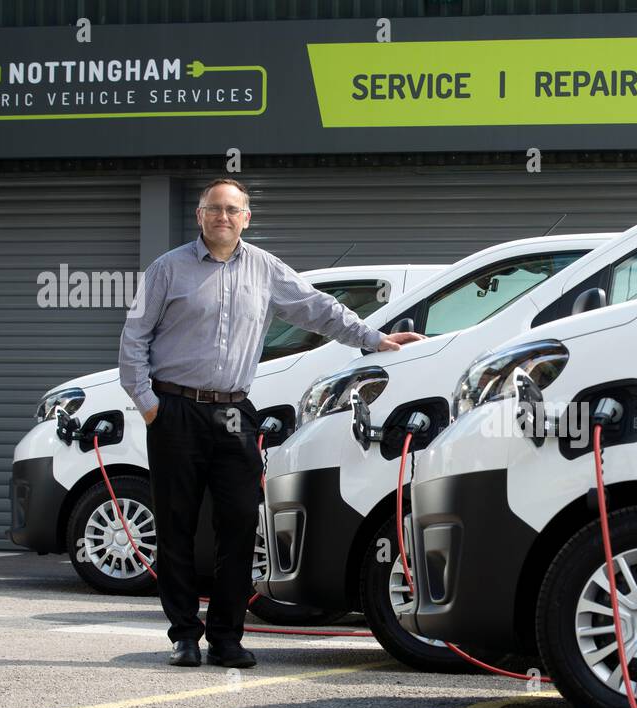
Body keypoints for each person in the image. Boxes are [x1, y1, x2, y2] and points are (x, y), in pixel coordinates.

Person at [118, 178, 424, 668]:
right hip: (175, 411)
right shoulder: (166, 269)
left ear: (246, 217)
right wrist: (149, 406)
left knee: (239, 524)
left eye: (232, 209)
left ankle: (226, 637)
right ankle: (183, 635)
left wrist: (374, 339)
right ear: (200, 216)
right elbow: (134, 339)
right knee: (175, 527)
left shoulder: (264, 269)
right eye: (214, 208)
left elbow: (317, 308)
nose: (223, 216)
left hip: (235, 411)